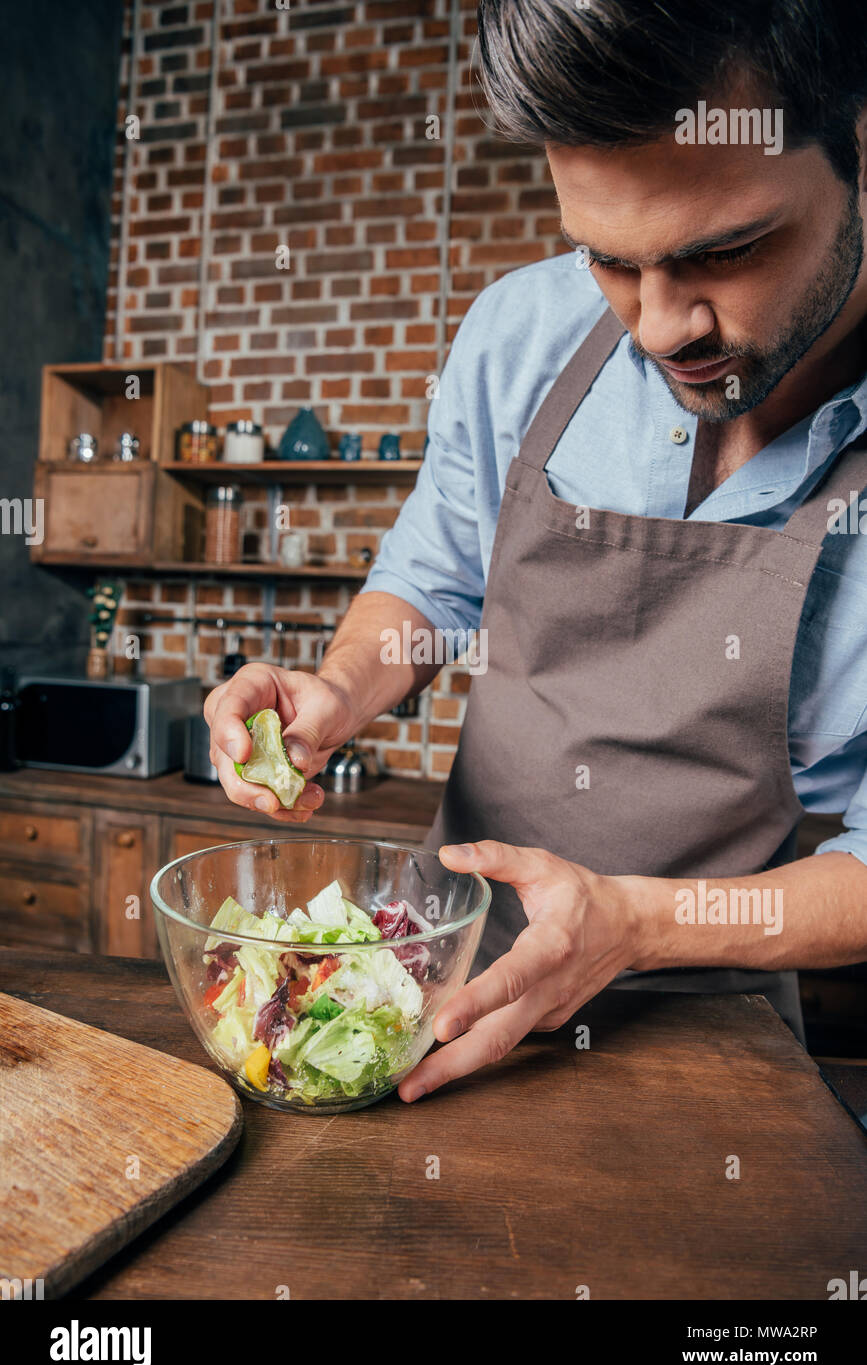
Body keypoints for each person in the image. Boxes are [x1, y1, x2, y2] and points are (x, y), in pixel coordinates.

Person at [206, 0, 867, 1101]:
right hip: (418, 985)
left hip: (701, 1042)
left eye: (728, 250)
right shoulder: (520, 334)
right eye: (607, 259)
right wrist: (337, 689)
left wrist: (637, 924)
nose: (659, 328)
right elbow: (432, 576)